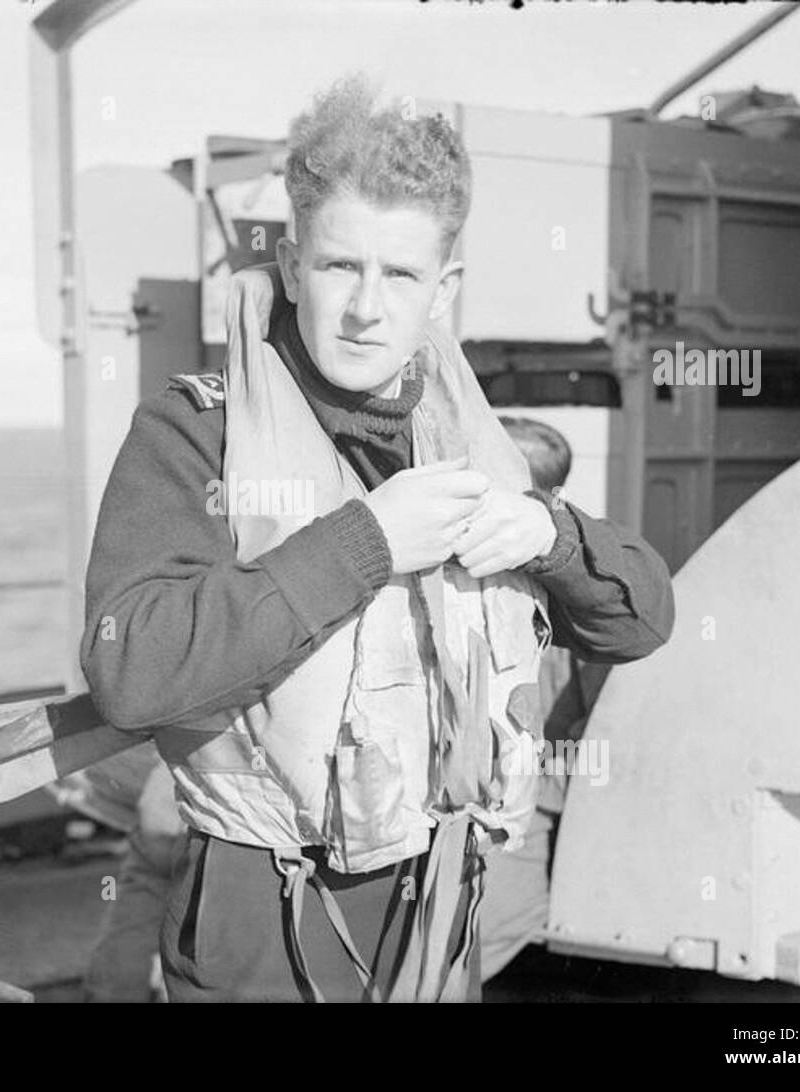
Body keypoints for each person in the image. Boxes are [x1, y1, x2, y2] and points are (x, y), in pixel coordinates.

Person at [81, 74, 674, 1003]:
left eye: (399, 274)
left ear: (445, 289)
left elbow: (641, 621)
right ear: (287, 265)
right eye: (337, 267)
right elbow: (131, 670)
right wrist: (366, 541)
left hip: (441, 914)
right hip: (265, 929)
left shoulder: (472, 441)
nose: (366, 308)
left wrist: (548, 534)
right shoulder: (196, 432)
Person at [475, 416, 610, 985]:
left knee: (475, 954)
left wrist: (532, 780)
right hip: (449, 810)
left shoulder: (582, 588)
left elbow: (602, 730)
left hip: (515, 827)